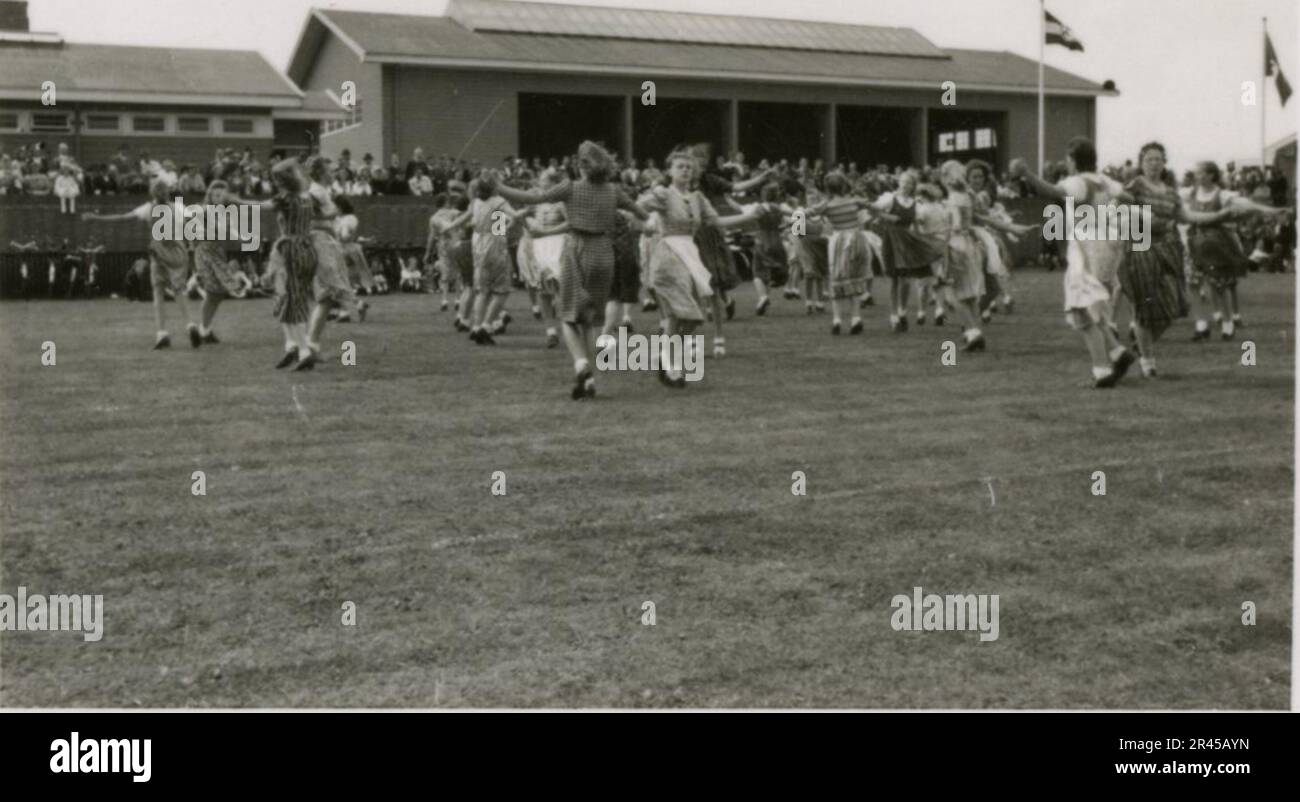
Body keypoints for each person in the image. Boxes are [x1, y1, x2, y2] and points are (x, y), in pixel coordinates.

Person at [494, 141, 647, 399]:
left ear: (580, 165)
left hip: (577, 249)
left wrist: (498, 187)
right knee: (588, 319)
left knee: (567, 315)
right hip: (604, 253)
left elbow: (534, 198)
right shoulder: (614, 190)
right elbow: (641, 213)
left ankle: (581, 365)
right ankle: (590, 381)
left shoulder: (570, 187)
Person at [1011, 138, 1136, 387]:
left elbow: (1051, 191)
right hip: (1108, 245)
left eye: (1068, 159)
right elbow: (1128, 197)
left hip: (1086, 248)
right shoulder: (1103, 180)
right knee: (1092, 305)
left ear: (1073, 160)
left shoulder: (1077, 182)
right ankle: (1118, 354)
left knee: (1080, 308)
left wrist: (1026, 174)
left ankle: (1102, 371)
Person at [83, 179, 202, 349]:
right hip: (177, 250)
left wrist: (96, 217)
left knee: (158, 291)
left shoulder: (148, 208)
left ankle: (161, 333)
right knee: (178, 291)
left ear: (152, 193)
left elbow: (123, 218)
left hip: (158, 252)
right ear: (168, 192)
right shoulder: (178, 207)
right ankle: (190, 324)